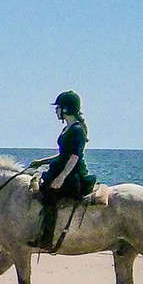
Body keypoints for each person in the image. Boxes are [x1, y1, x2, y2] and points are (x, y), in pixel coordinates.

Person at [24, 90, 95, 250]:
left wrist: (61, 178)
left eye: (58, 108)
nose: (56, 111)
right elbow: (64, 154)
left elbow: (74, 156)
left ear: (65, 109)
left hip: (72, 175)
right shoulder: (68, 128)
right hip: (63, 170)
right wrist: (42, 161)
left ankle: (47, 239)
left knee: (49, 196)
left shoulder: (77, 130)